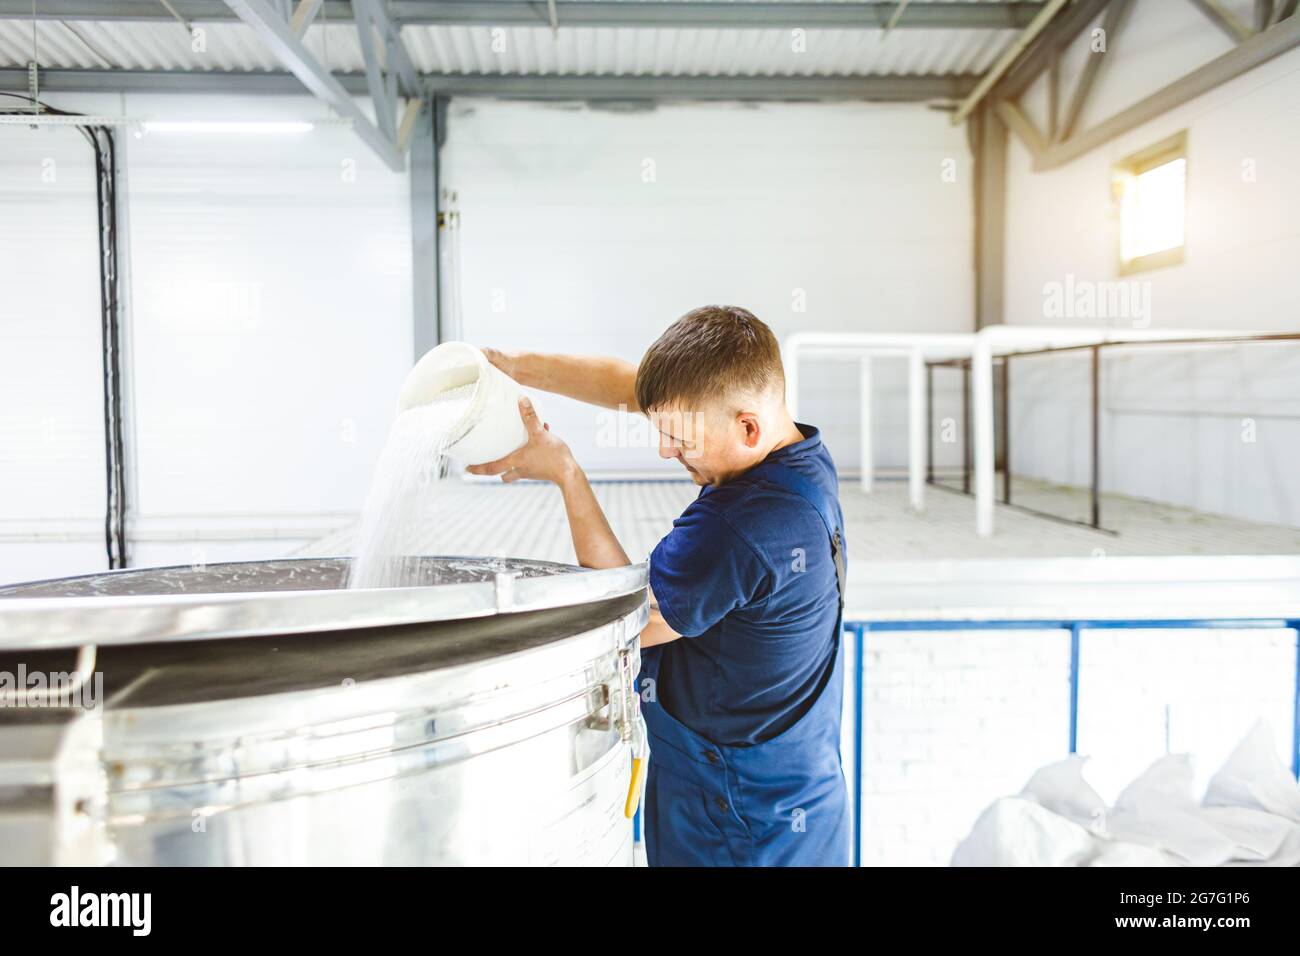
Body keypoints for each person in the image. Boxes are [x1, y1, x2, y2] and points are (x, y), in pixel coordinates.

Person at [473, 305, 850, 866]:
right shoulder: (795, 452)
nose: (665, 450)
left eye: (679, 439)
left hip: (738, 825)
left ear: (747, 426)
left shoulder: (742, 525)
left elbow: (620, 615)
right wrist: (510, 369)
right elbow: (637, 387)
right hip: (801, 803)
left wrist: (565, 473)